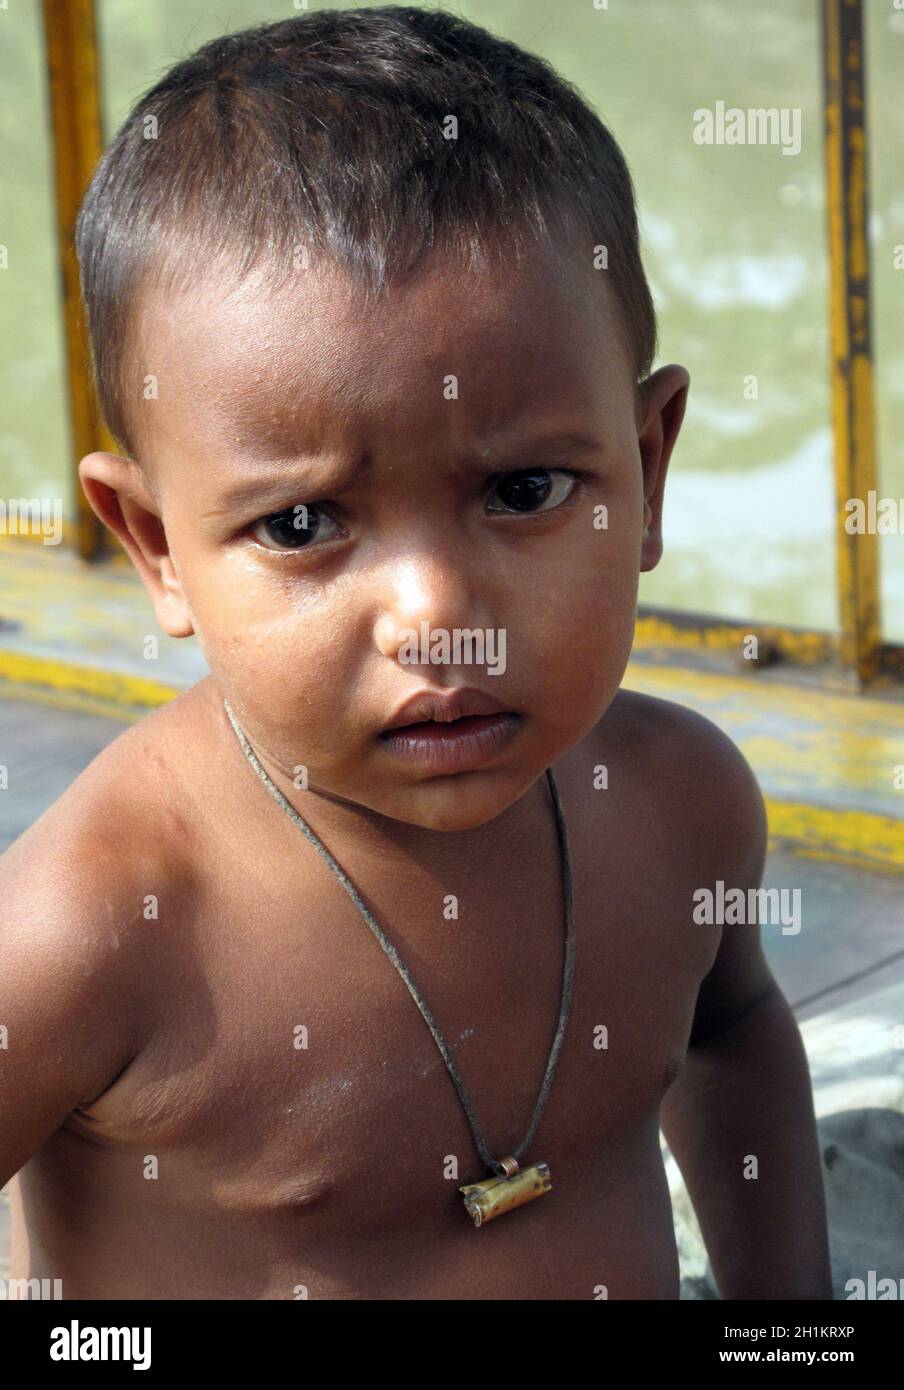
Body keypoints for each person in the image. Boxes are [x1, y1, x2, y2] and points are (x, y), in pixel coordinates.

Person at [0, 6, 831, 1299]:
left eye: (524, 491)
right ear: (157, 545)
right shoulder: (97, 925)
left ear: (647, 469)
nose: (437, 617)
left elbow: (729, 1030)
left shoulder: (682, 806)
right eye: (301, 524)